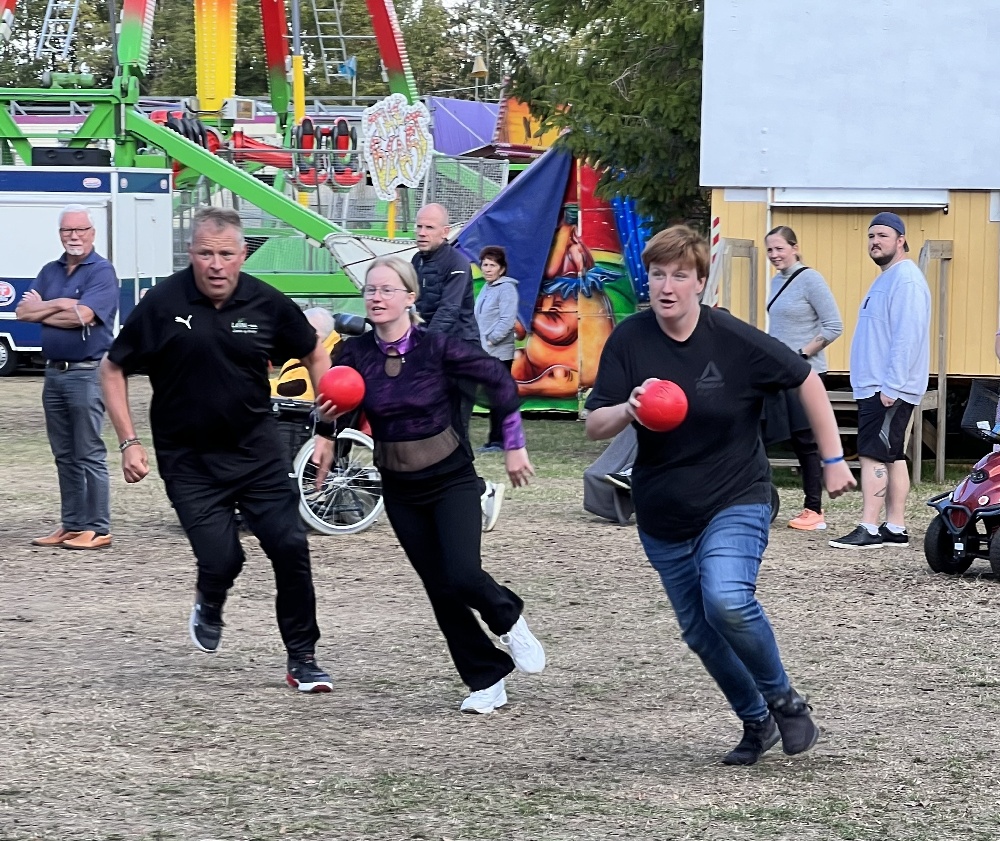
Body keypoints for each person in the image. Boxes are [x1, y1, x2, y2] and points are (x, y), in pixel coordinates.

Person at [584, 225, 856, 765]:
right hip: (663, 511)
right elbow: (595, 423)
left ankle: (785, 700)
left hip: (737, 495)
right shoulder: (631, 340)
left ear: (700, 282)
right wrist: (629, 409)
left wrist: (832, 459)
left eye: (679, 275)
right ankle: (757, 722)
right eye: (658, 274)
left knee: (727, 600)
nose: (667, 286)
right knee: (700, 633)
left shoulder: (729, 337)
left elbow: (804, 378)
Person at [100, 207, 335, 693]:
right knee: (222, 559)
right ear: (191, 254)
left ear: (242, 255)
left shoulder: (267, 304)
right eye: (205, 253)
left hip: (257, 454)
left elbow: (314, 350)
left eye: (226, 254)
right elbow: (112, 367)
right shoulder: (163, 303)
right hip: (189, 462)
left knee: (290, 546)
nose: (215, 264)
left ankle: (303, 657)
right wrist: (128, 441)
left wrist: (327, 426)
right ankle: (211, 599)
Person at [313, 255, 545, 714]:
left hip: (451, 480)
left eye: (386, 290)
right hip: (399, 488)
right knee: (440, 589)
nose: (376, 298)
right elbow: (332, 402)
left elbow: (499, 381)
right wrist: (324, 435)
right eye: (370, 291)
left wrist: (514, 443)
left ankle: (508, 616)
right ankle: (486, 677)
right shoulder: (353, 354)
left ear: (409, 297)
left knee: (462, 575)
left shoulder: (438, 348)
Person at [16, 205, 118, 550]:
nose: (74, 236)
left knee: (89, 451)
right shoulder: (50, 269)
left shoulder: (102, 271)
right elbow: (23, 312)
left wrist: (49, 307)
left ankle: (99, 528)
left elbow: (85, 317)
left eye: (80, 230)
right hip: (54, 374)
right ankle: (72, 524)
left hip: (87, 374)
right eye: (67, 231)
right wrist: (62, 305)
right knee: (64, 453)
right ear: (60, 234)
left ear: (92, 232)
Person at [829, 212, 932, 550]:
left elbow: (907, 335)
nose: (875, 242)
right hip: (878, 384)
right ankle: (895, 527)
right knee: (891, 455)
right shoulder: (888, 278)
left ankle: (869, 527)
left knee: (874, 454)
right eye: (871, 236)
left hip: (887, 387)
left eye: (883, 236)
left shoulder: (907, 279)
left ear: (901, 240)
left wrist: (892, 385)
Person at [412, 202, 504, 531]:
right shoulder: (415, 262)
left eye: (429, 227)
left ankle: (480, 491)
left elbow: (448, 313)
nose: (422, 232)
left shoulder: (458, 264)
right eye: (419, 226)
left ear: (445, 232)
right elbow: (415, 309)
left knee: (454, 430)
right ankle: (446, 495)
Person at [764, 226, 843, 531]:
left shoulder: (810, 279)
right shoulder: (776, 281)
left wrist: (801, 355)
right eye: (770, 250)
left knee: (805, 440)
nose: (775, 255)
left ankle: (814, 510)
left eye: (780, 249)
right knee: (782, 436)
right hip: (780, 372)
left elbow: (834, 326)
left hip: (805, 372)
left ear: (795, 248)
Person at [473, 245, 519, 453]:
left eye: (492, 265)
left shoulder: (507, 288)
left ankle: (499, 441)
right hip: (485, 352)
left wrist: (491, 340)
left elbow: (507, 320)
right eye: (485, 264)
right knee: (493, 398)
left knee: (499, 398)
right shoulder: (487, 287)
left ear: (502, 269)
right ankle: (493, 440)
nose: (488, 269)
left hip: (498, 354)